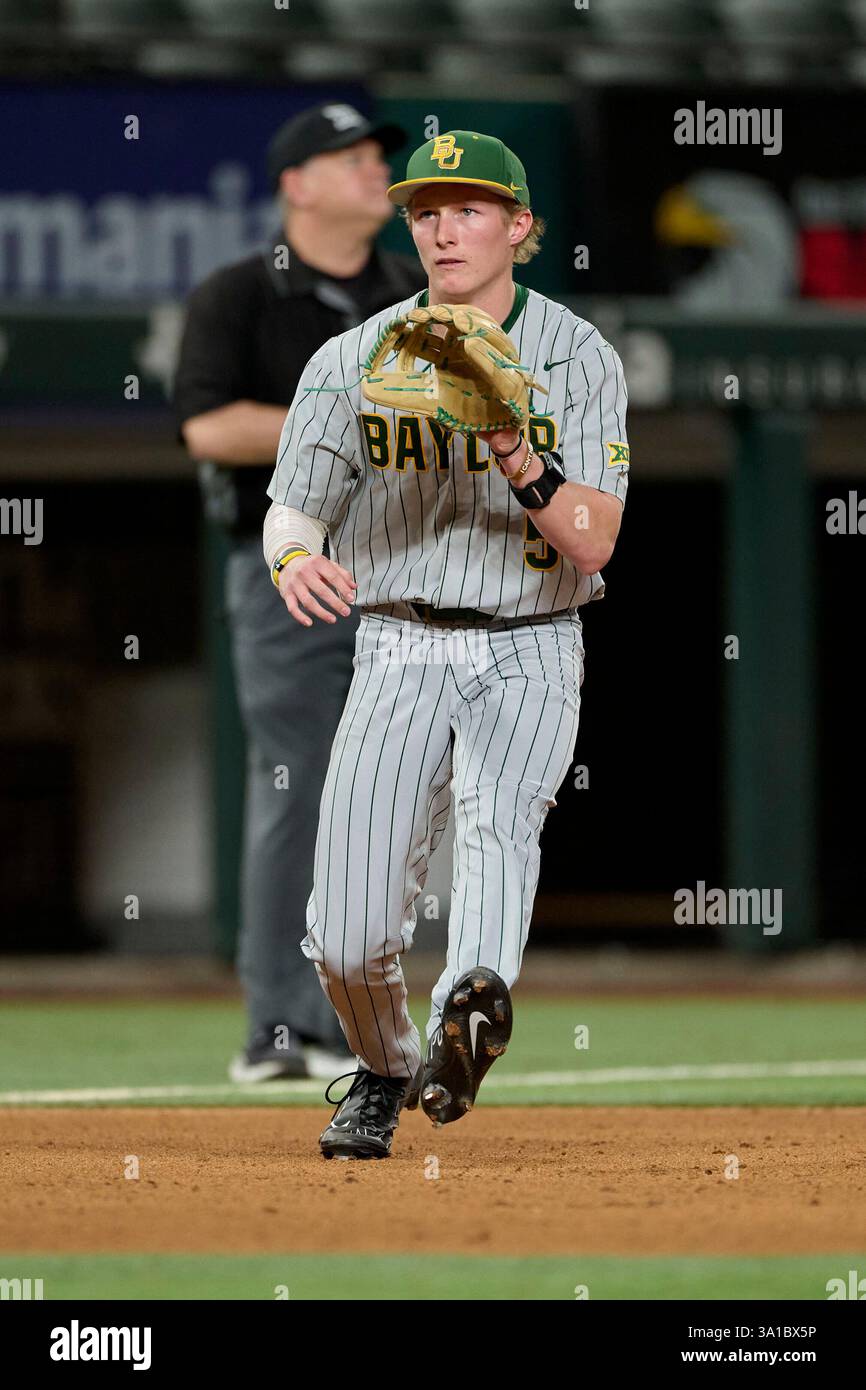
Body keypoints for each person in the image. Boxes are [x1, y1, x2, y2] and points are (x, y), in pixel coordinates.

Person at [263, 130, 630, 1156]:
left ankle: (471, 1007)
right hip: (397, 641)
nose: (441, 227)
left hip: (531, 638)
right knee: (344, 936)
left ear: (519, 227)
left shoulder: (576, 355)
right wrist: (293, 561)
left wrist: (513, 447)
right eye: (425, 210)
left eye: (468, 208)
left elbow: (594, 538)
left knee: (496, 824)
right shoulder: (352, 356)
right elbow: (292, 510)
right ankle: (385, 1067)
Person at [174, 103, 425, 1082]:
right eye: (350, 158)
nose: (374, 172)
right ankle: (279, 1026)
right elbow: (207, 427)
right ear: (296, 184)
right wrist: (342, 418)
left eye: (377, 157)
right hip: (290, 567)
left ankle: (366, 1017)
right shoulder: (239, 293)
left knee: (403, 794)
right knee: (301, 780)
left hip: (407, 569)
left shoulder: (413, 292)